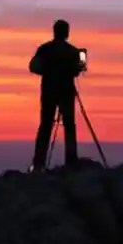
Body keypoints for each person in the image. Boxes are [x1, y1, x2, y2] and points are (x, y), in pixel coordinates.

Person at [29, 19, 85, 171]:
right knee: (69, 126)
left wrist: (48, 70)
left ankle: (39, 163)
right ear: (66, 32)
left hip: (49, 91)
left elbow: (33, 67)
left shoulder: (45, 49)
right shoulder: (73, 52)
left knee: (46, 126)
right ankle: (71, 161)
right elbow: (78, 70)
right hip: (66, 90)